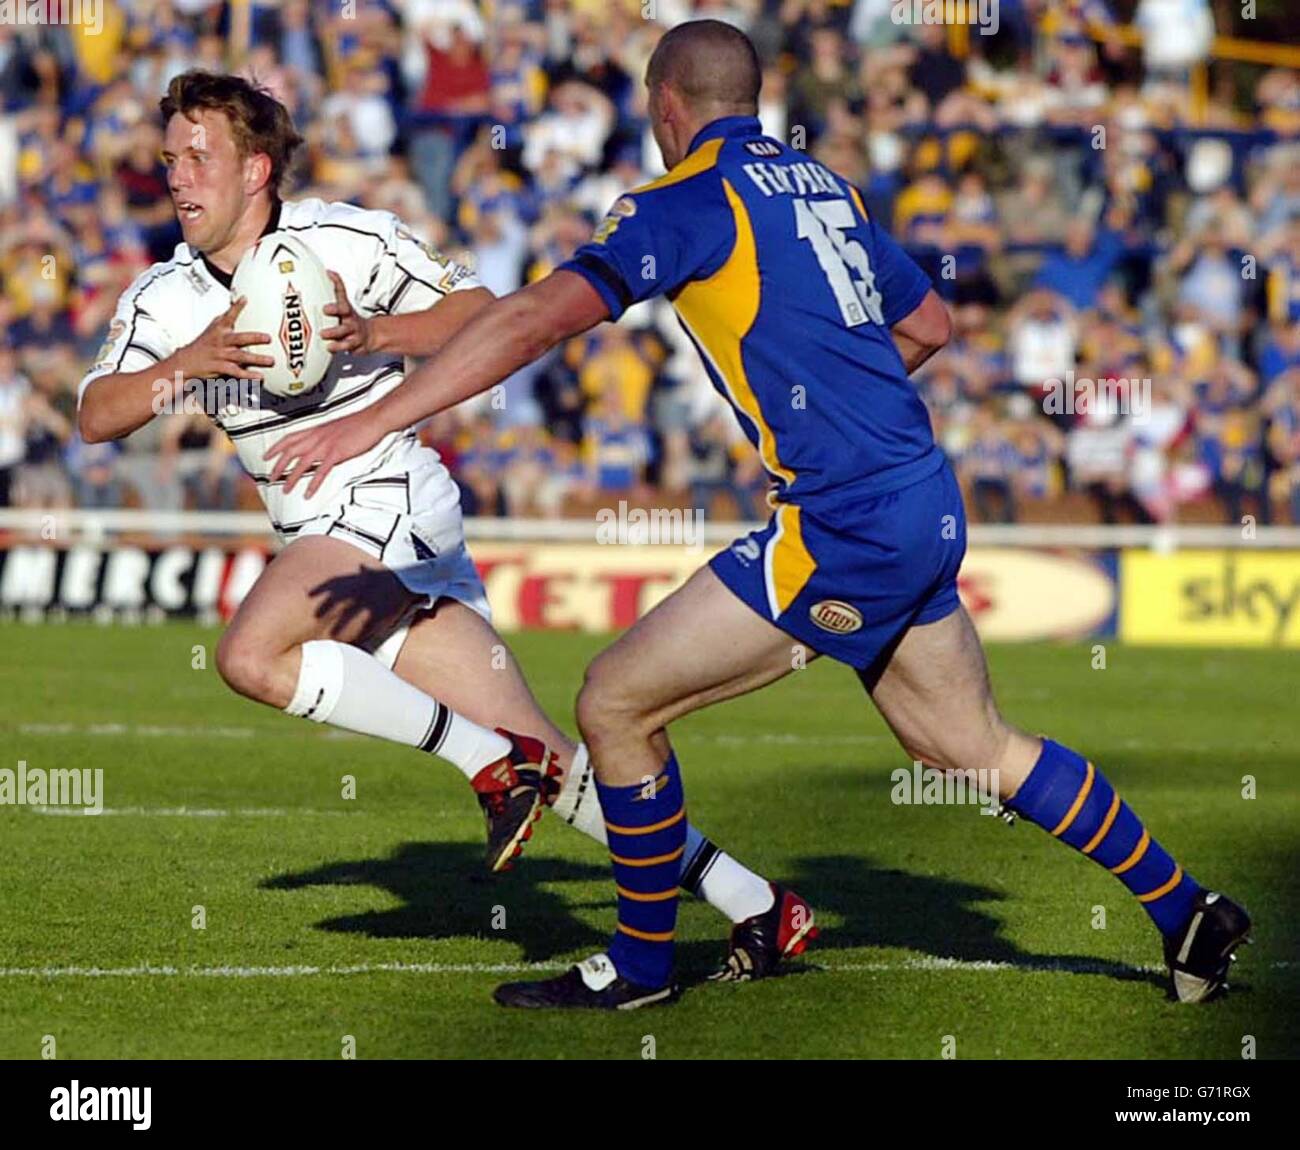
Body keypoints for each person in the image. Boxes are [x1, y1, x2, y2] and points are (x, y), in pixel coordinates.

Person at [265, 22, 1250, 1010]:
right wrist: (841, 413)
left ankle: (640, 968)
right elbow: (928, 324)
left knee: (615, 702)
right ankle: (1186, 909)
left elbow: (532, 320)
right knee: (971, 746)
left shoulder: (684, 199)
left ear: (665, 107)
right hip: (920, 496)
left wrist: (370, 420)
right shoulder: (825, 185)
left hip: (845, 521)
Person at [78, 70, 815, 980]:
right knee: (557, 766)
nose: (177, 177)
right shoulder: (166, 296)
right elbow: (97, 414)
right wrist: (187, 364)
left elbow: (479, 313)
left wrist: (377, 334)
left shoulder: (346, 237)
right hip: (318, 531)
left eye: (199, 157)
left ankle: (484, 762)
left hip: (387, 497)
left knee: (250, 656)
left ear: (256, 168)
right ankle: (758, 904)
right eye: (170, 159)